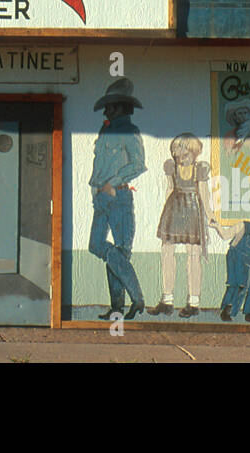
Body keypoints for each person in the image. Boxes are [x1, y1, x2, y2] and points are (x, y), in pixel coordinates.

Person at [88, 77, 147, 320]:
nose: (106, 110)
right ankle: (128, 303)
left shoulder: (129, 131)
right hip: (101, 197)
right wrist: (97, 190)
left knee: (119, 251)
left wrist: (111, 184)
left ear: (122, 107)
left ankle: (125, 304)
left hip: (119, 195)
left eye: (111, 106)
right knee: (97, 246)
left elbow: (138, 164)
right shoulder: (106, 129)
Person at [148, 133, 214, 318]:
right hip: (174, 209)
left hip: (193, 210)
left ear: (194, 153)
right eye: (177, 156)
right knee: (167, 251)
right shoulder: (171, 167)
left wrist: (210, 216)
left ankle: (193, 302)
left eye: (185, 155)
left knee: (193, 255)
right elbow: (170, 189)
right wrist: (165, 215)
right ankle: (167, 300)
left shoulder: (200, 169)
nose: (181, 159)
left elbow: (204, 193)